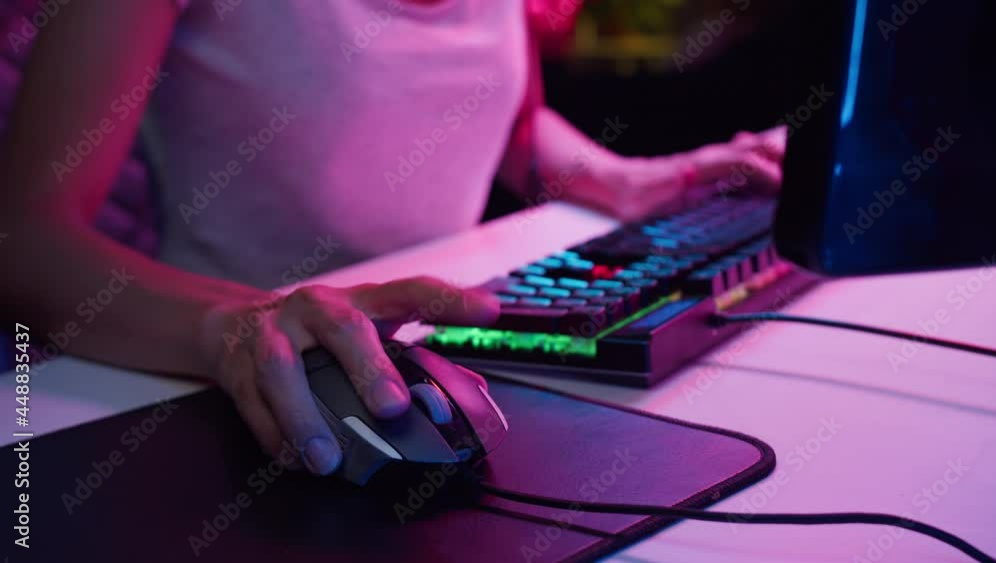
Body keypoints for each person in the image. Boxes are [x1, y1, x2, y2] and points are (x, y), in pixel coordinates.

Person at [0, 0, 785, 476]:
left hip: (438, 364)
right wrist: (235, 325)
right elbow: (24, 240)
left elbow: (504, 119)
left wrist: (629, 178)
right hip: (215, 385)